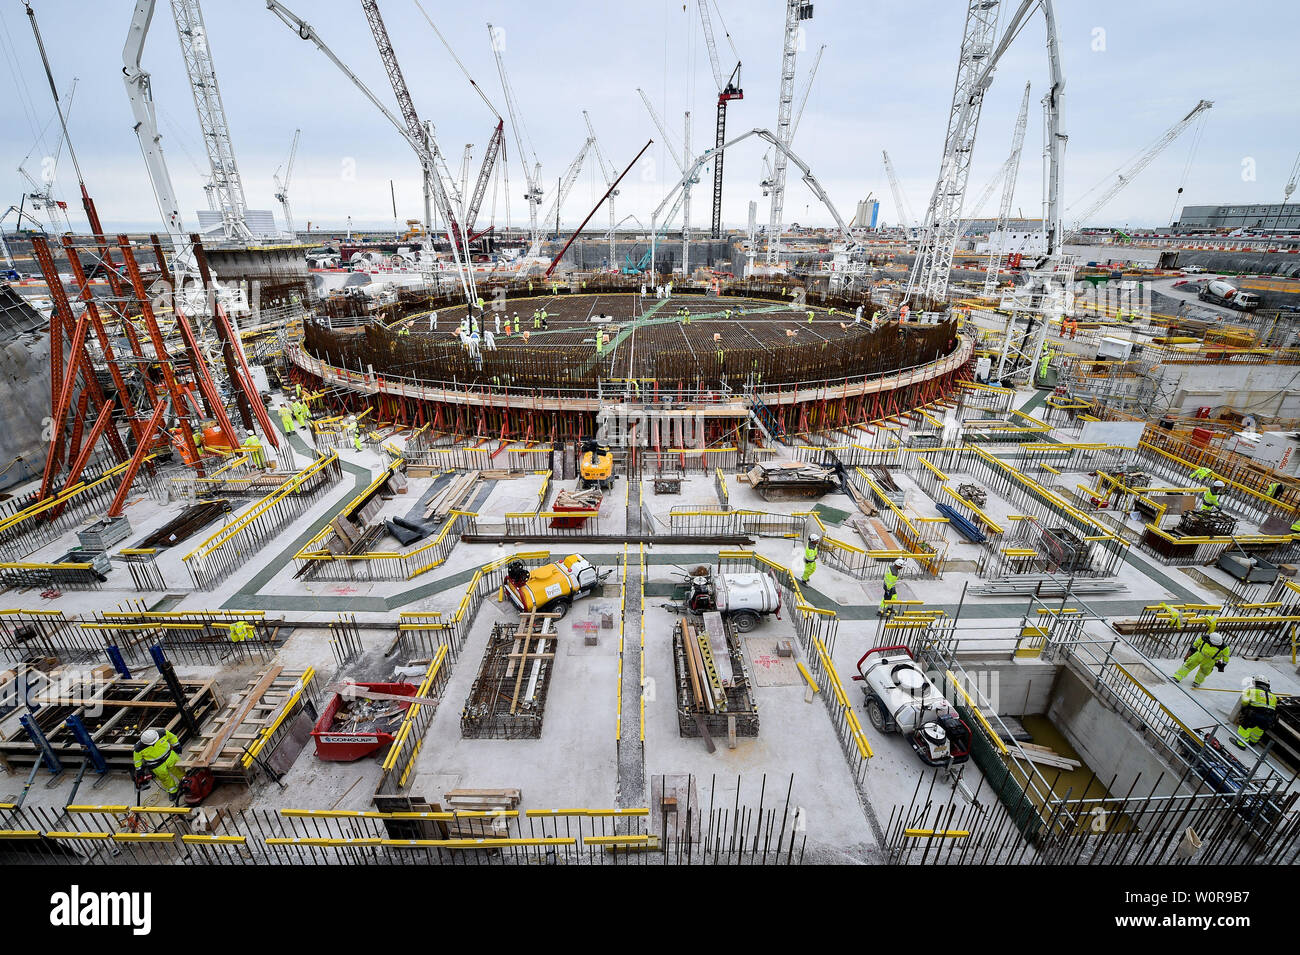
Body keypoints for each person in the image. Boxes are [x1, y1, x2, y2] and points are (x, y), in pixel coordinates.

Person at [133, 728, 184, 801]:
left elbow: (172, 737)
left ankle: (184, 782)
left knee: (179, 770)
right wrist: (139, 770)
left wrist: (176, 745)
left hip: (170, 756)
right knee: (165, 778)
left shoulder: (162, 733)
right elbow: (137, 760)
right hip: (157, 765)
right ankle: (173, 791)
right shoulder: (138, 748)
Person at [1235, 675, 1279, 748]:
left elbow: (1245, 702)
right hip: (1269, 718)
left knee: (1244, 728)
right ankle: (1252, 742)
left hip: (1255, 714)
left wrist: (1244, 711)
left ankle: (1241, 744)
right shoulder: (1273, 696)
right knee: (1259, 730)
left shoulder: (1251, 690)